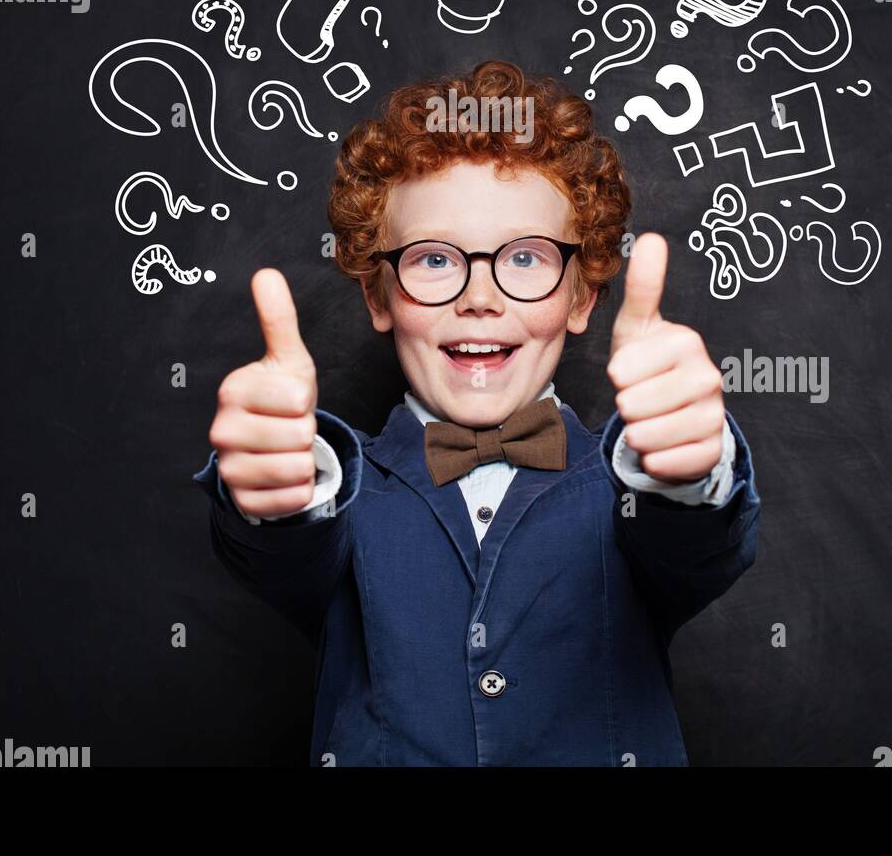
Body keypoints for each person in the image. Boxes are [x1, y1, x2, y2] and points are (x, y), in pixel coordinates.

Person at [192, 59, 760, 765]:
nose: (479, 297)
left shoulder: (632, 489)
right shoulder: (338, 491)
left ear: (580, 297)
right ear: (379, 295)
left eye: (525, 258)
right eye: (434, 259)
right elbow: (279, 549)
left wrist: (690, 469)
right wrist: (276, 485)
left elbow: (700, 538)